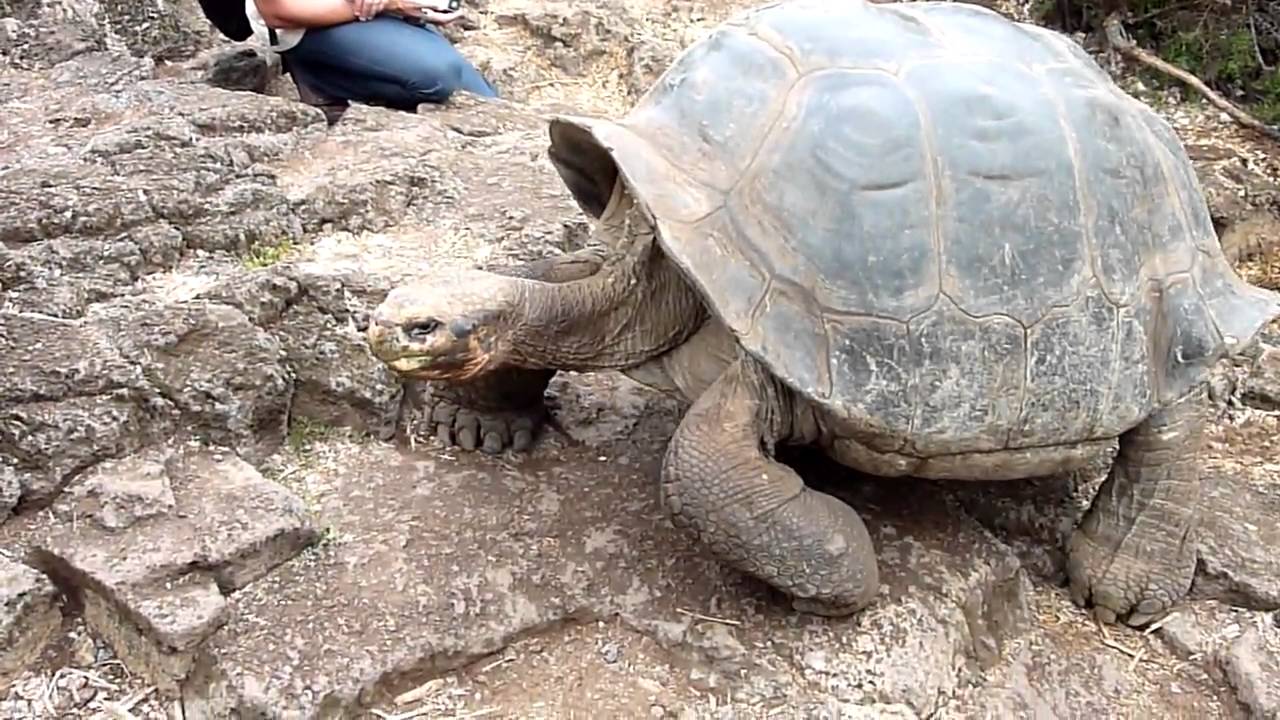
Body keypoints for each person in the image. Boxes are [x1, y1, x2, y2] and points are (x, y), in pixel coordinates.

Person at [244, 0, 498, 124]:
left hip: (377, 10)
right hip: (307, 20)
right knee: (438, 76)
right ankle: (322, 78)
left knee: (484, 106)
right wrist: (390, 4)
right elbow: (279, 12)